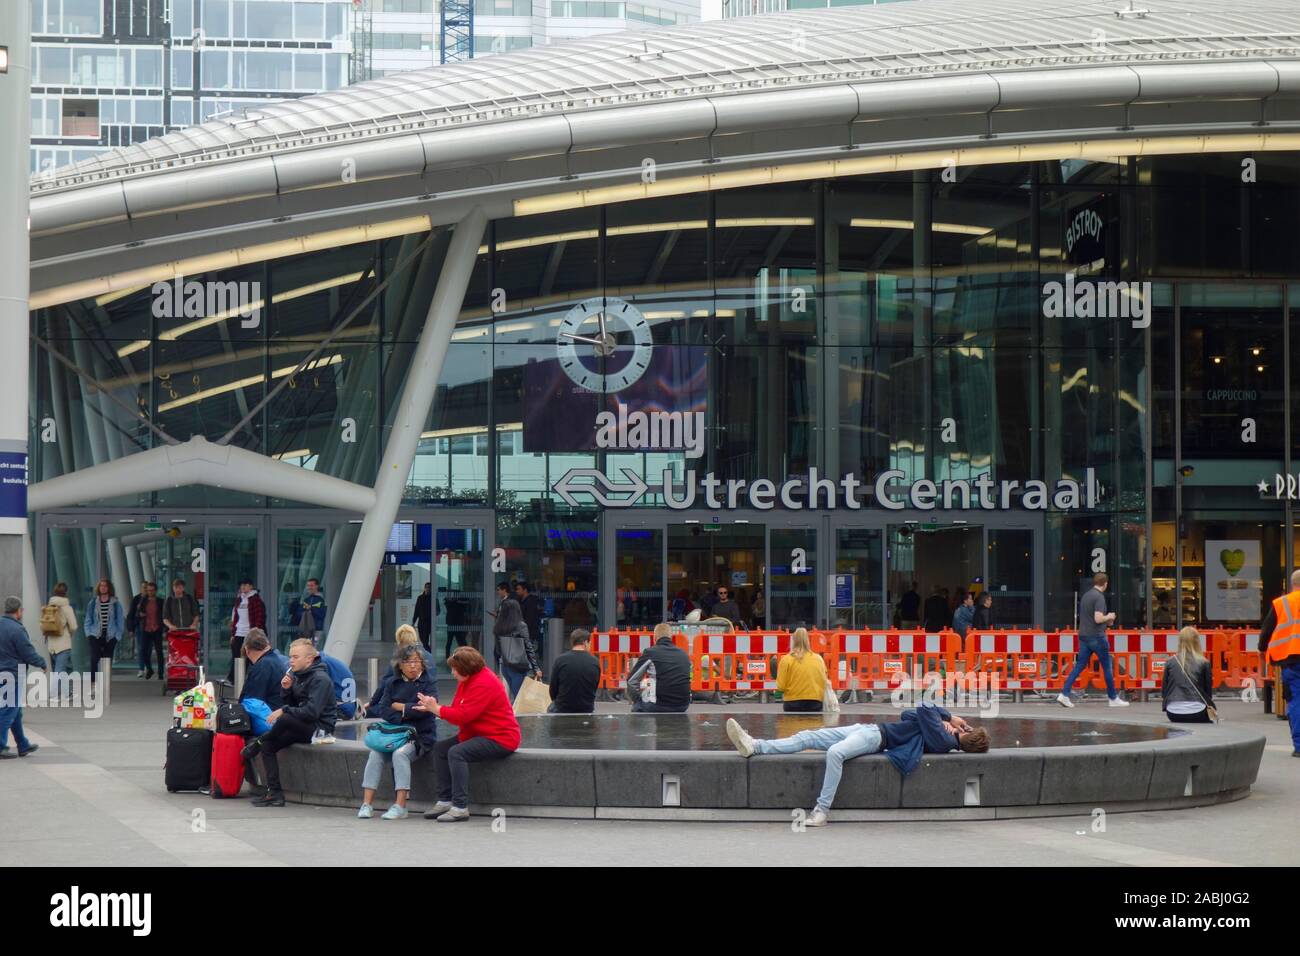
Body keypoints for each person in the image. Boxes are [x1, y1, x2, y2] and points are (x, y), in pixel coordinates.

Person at [726, 703, 990, 827]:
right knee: (806, 737)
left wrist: (950, 717)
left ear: (967, 734)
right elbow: (908, 715)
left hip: (875, 737)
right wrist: (942, 719)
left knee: (835, 754)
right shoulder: (941, 733)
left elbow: (923, 709)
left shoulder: (944, 738)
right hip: (865, 729)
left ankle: (821, 811)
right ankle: (755, 746)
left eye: (967, 726)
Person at [413, 646, 519, 822]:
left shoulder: (484, 683)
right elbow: (456, 709)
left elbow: (463, 716)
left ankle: (460, 807)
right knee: (440, 749)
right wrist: (435, 709)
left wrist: (436, 709)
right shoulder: (467, 680)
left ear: (466, 669)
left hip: (500, 738)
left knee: (457, 752)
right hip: (478, 734)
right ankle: (445, 801)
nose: (453, 673)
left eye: (455, 669)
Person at [240, 638, 337, 806]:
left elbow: (312, 713)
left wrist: (284, 710)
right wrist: (286, 691)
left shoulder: (320, 679)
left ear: (309, 659)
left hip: (320, 730)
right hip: (303, 725)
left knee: (283, 718)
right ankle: (275, 793)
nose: (291, 660)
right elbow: (294, 707)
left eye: (296, 657)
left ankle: (259, 740)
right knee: (268, 747)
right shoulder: (298, 676)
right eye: (291, 656)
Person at [358, 646, 437, 820]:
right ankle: (367, 804)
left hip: (419, 736)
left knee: (400, 754)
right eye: (408, 662)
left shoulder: (428, 683)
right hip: (395, 734)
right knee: (375, 754)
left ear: (422, 664)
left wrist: (400, 706)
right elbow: (384, 709)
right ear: (400, 665)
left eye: (417, 661)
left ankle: (400, 805)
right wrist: (406, 714)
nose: (413, 666)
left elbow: (425, 709)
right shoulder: (392, 682)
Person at [1058, 572, 1127, 708]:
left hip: (1084, 636)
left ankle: (1064, 694)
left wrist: (1107, 620)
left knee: (1079, 666)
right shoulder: (1099, 598)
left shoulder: (1086, 596)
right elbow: (1098, 619)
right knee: (1107, 667)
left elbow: (1091, 618)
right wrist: (1110, 616)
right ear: (1105, 584)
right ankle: (1113, 698)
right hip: (1097, 636)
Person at [1256, 568, 1300, 756]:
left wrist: (1262, 649)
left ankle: (1299, 746)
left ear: (1292, 584)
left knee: (1296, 701)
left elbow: (1266, 632)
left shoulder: (1282, 603)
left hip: (1290, 660)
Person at [0, 597, 46, 759]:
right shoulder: (17, 630)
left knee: (15, 712)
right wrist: (42, 663)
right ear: (18, 611)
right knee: (8, 711)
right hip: (12, 674)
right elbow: (27, 652)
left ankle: (22, 744)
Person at [361, 625, 436, 717]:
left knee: (375, 710)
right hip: (425, 701)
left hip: (406, 699)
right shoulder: (429, 656)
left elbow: (385, 684)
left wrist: (372, 703)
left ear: (399, 640)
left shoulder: (400, 657)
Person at [627, 622, 691, 713]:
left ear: (654, 638)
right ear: (671, 637)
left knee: (637, 707)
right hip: (683, 705)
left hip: (658, 705)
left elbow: (631, 681)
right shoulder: (683, 654)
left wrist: (637, 700)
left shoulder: (650, 653)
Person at [492, 582, 539, 700]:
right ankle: (514, 717)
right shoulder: (520, 626)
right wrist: (536, 668)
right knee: (518, 697)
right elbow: (528, 647)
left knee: (512, 693)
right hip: (518, 665)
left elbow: (498, 649)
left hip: (505, 664)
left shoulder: (499, 627)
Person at [1161, 626, 1215, 724]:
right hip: (1197, 712)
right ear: (1197, 642)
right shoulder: (1204, 662)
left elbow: (1164, 691)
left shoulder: (1170, 662)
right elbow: (1208, 692)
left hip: (1173, 713)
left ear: (1180, 641)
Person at [83, 578, 124, 693]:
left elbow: (120, 621)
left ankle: (105, 684)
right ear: (98, 588)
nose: (103, 588)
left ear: (109, 588)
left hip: (111, 635)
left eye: (105, 586)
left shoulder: (115, 603)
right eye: (101, 586)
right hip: (95, 634)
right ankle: (93, 684)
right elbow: (88, 619)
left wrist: (117, 636)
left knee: (106, 660)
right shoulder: (93, 603)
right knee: (94, 658)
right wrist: (88, 634)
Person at [548, 628, 600, 714]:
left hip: (562, 708)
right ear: (585, 642)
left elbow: (553, 689)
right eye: (590, 643)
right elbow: (594, 687)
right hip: (586, 708)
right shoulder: (595, 662)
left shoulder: (560, 660)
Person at [776, 627, 828, 713]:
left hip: (792, 702)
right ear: (808, 640)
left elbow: (781, 686)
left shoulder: (786, 660)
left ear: (793, 641)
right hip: (815, 701)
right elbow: (824, 680)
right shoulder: (819, 659)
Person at [41, 583, 78, 702]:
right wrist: (69, 633)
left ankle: (67, 694)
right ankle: (53, 695)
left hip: (51, 643)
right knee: (60, 669)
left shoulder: (48, 607)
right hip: (63, 643)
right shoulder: (67, 607)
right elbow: (74, 626)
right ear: (66, 593)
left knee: (60, 669)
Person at [240, 629, 289, 711]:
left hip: (267, 717)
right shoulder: (276, 659)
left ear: (247, 649)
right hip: (278, 711)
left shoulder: (262, 666)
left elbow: (252, 702)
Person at [229, 579, 266, 683]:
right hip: (239, 632)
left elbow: (260, 617)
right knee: (236, 657)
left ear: (251, 587)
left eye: (245, 585)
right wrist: (233, 633)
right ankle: (234, 680)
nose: (243, 587)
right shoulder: (239, 600)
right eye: (241, 585)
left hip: (250, 634)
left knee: (252, 657)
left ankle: (255, 679)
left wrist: (256, 631)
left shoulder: (255, 600)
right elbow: (236, 618)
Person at [134, 582, 165, 680]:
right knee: (143, 651)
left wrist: (164, 628)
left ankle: (160, 672)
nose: (150, 592)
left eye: (152, 590)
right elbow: (137, 613)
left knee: (159, 652)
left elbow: (164, 614)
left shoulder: (160, 601)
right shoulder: (143, 601)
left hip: (156, 629)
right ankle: (149, 669)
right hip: (146, 629)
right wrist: (140, 614)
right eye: (148, 590)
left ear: (155, 591)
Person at [515, 580, 544, 669]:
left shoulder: (531, 601)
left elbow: (530, 619)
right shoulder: (520, 601)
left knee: (531, 654)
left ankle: (534, 672)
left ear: (525, 590)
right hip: (523, 632)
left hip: (530, 632)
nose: (517, 591)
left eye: (518, 589)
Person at [125, 580, 150, 678]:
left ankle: (147, 667)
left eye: (146, 587)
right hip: (139, 626)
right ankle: (141, 668)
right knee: (140, 648)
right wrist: (130, 629)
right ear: (141, 589)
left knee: (148, 648)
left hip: (150, 627)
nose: (145, 589)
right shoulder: (136, 599)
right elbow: (131, 614)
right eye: (143, 587)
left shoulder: (151, 599)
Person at [412, 582, 434, 652]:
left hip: (429, 622)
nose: (428, 589)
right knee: (422, 640)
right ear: (424, 588)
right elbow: (417, 610)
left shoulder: (432, 599)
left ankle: (429, 654)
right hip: (421, 622)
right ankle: (429, 652)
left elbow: (437, 610)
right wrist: (413, 621)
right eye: (427, 587)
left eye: (429, 587)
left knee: (425, 640)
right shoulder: (420, 598)